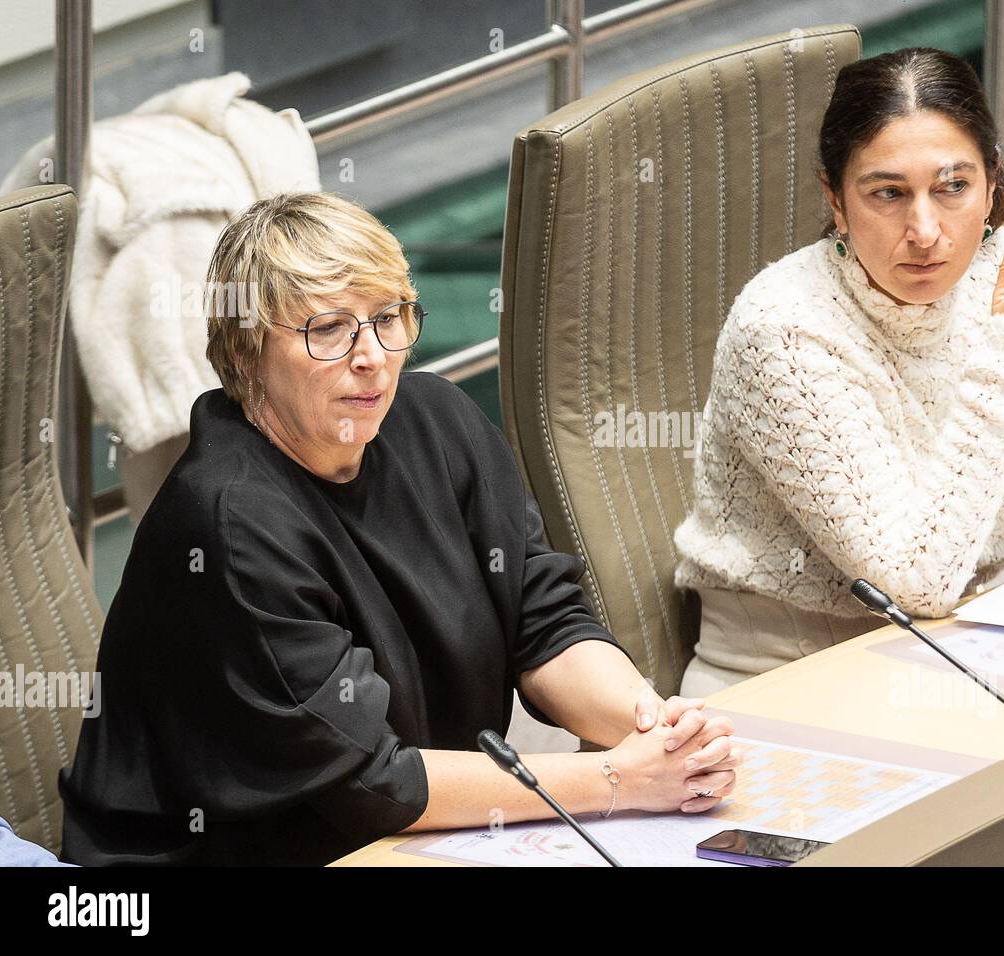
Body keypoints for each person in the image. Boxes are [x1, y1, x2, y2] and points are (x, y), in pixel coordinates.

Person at [60, 192, 739, 866]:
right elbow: (372, 781)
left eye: (388, 317)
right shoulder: (227, 525)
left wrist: (658, 730)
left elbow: (545, 621)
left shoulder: (437, 420)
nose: (372, 356)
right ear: (247, 352)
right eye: (328, 329)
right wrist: (621, 782)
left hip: (413, 837)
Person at [673, 47, 1004, 696]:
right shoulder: (781, 328)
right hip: (783, 682)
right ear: (835, 200)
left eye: (953, 187)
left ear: (992, 185)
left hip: (950, 657)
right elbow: (912, 584)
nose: (926, 230)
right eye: (888, 193)